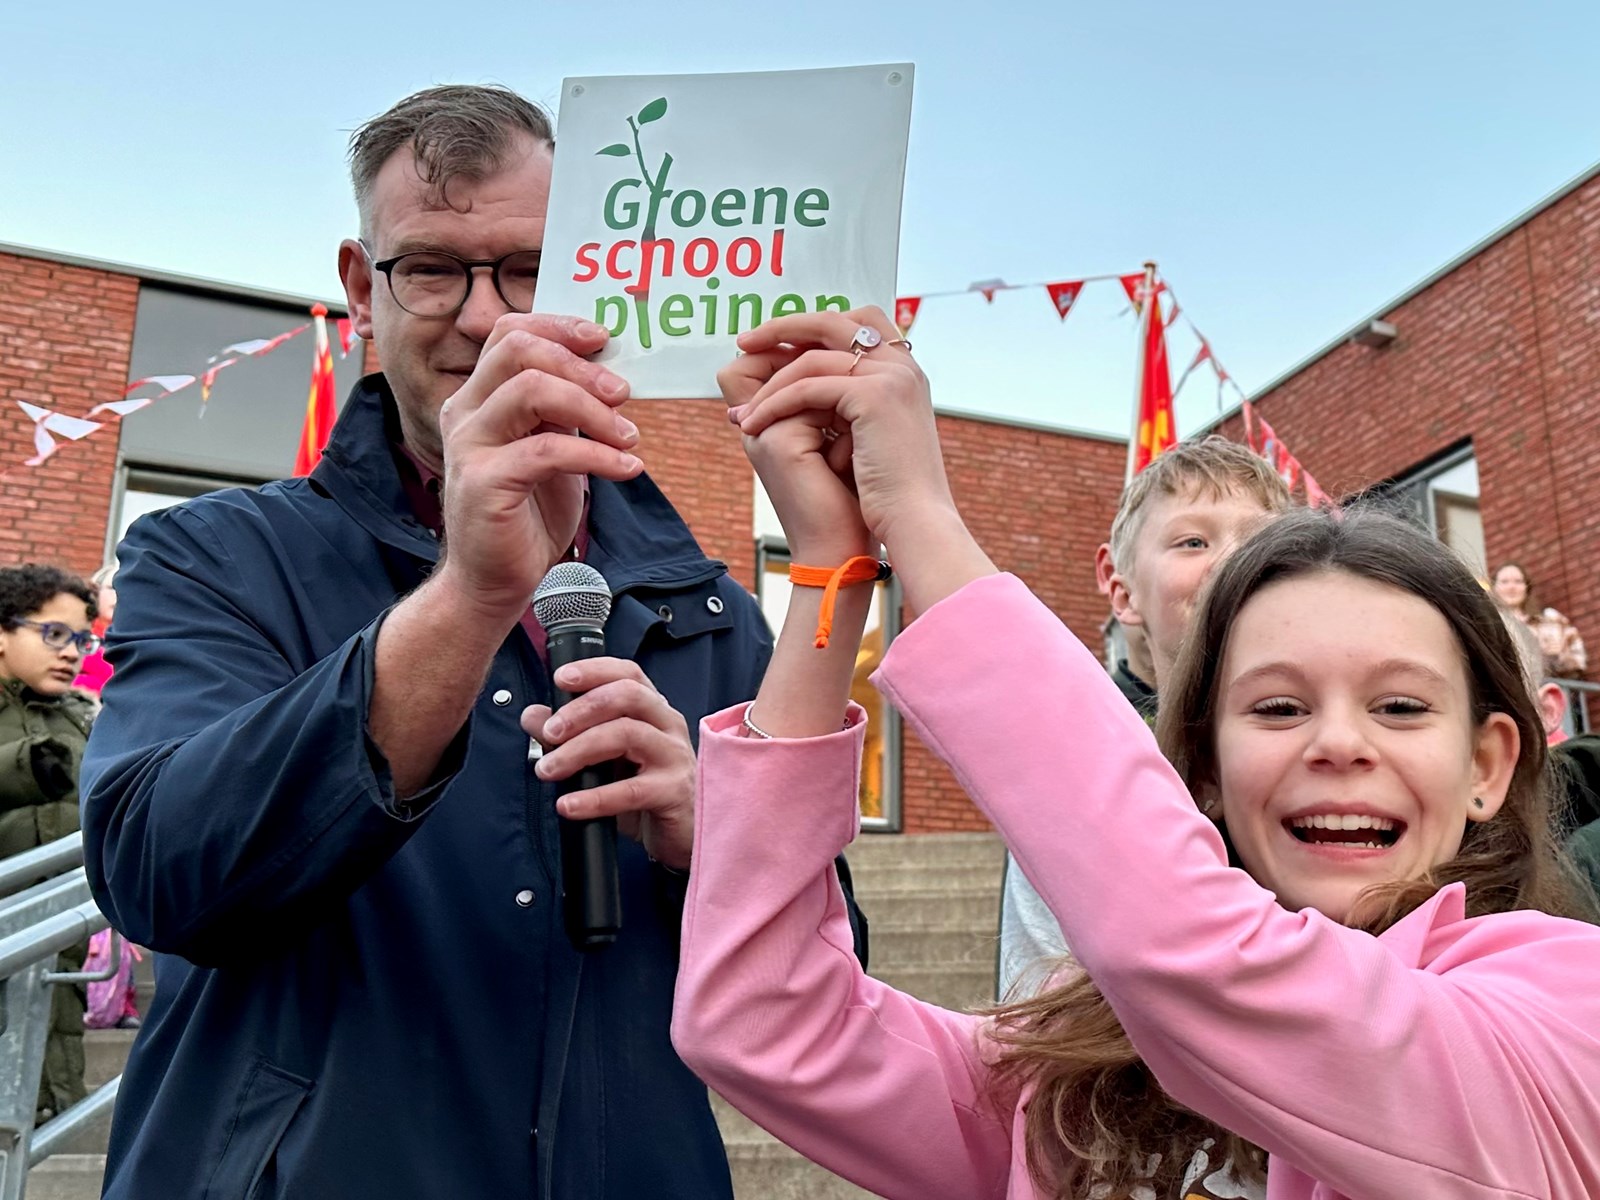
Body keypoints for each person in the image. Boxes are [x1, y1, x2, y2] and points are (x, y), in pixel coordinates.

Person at [80, 84, 859, 1200]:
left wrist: (720, 836)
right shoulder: (210, 557)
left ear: (597, 279)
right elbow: (159, 876)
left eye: (530, 269)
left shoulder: (710, 608)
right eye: (433, 267)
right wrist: (468, 596)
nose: (486, 318)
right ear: (362, 287)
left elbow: (833, 985)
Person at [670, 307, 1600, 1200]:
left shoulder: (1565, 1001)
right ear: (1202, 773)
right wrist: (834, 568)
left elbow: (1191, 952)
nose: (1339, 744)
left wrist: (919, 518)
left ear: (1487, 765)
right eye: (1276, 708)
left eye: (1400, 706)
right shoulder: (1073, 1080)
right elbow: (765, 1021)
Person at [998, 439, 1289, 998]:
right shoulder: (1080, 757)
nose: (1231, 561)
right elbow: (1043, 992)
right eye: (1193, 541)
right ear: (1120, 585)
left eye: (1259, 542)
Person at [0, 564, 99, 1122]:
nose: (72, 652)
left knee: (51, 1108)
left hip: (58, 949)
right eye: (53, 633)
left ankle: (54, 1108)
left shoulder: (85, 722)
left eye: (82, 639)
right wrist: (26, 768)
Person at [1494, 560, 1587, 678]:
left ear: (1527, 587)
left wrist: (1559, 656)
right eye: (1504, 582)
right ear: (1494, 588)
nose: (1512, 587)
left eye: (1518, 581)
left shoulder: (1551, 620)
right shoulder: (1488, 625)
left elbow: (1579, 664)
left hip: (1548, 690)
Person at [71, 563, 116, 700]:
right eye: (112, 588)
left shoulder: (144, 638)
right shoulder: (74, 632)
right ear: (96, 592)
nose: (119, 594)